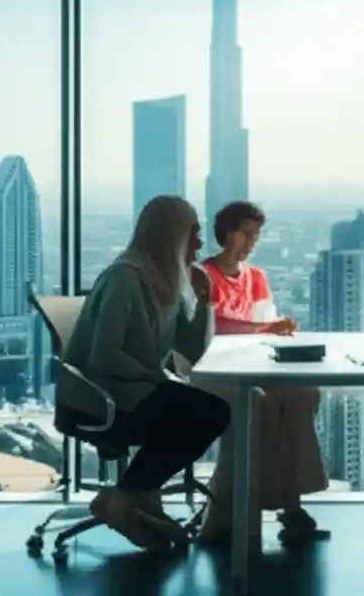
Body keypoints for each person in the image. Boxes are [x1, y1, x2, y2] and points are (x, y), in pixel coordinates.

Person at [59, 195, 230, 552]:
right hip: (103, 398)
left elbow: (192, 351)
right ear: (172, 235)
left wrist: (204, 301)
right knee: (209, 413)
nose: (200, 242)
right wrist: (155, 377)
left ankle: (135, 498)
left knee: (207, 411)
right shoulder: (126, 278)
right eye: (193, 233)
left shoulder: (166, 280)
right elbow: (104, 356)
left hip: (136, 390)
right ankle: (130, 496)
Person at [199, 201, 329, 545]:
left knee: (303, 394)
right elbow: (212, 327)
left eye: (256, 234)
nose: (252, 241)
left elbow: (264, 324)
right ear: (227, 234)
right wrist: (264, 328)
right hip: (214, 371)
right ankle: (242, 509)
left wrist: (273, 329)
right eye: (246, 233)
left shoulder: (256, 277)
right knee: (257, 405)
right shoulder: (203, 276)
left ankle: (291, 501)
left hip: (253, 366)